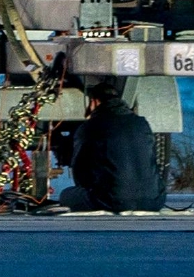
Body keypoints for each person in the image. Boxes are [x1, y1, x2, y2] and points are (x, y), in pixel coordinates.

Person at [57, 78, 166, 212]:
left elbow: (80, 169)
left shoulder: (91, 126)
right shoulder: (142, 123)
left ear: (94, 102)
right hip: (155, 202)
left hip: (113, 202)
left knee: (66, 195)